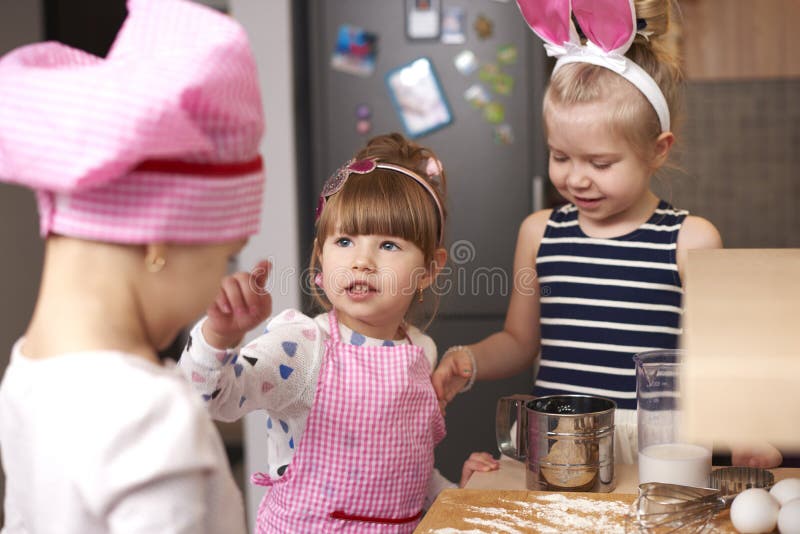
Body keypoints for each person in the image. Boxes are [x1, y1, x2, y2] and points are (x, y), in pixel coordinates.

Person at [432, 0, 782, 468]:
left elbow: (721, 361)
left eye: (600, 163)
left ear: (657, 151)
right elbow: (519, 340)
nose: (576, 179)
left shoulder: (690, 241)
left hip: (655, 451)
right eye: (560, 156)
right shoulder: (539, 233)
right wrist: (468, 359)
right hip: (558, 445)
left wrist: (745, 434)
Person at [0, 0, 266, 532]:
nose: (221, 278)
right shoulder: (149, 417)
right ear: (159, 236)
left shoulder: (27, 371)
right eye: (224, 255)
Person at [178, 133, 498, 533]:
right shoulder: (303, 347)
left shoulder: (421, 351)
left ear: (429, 270)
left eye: (389, 245)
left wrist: (456, 495)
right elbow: (204, 401)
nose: (361, 261)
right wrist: (218, 338)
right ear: (320, 257)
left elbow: (409, 481)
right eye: (345, 240)